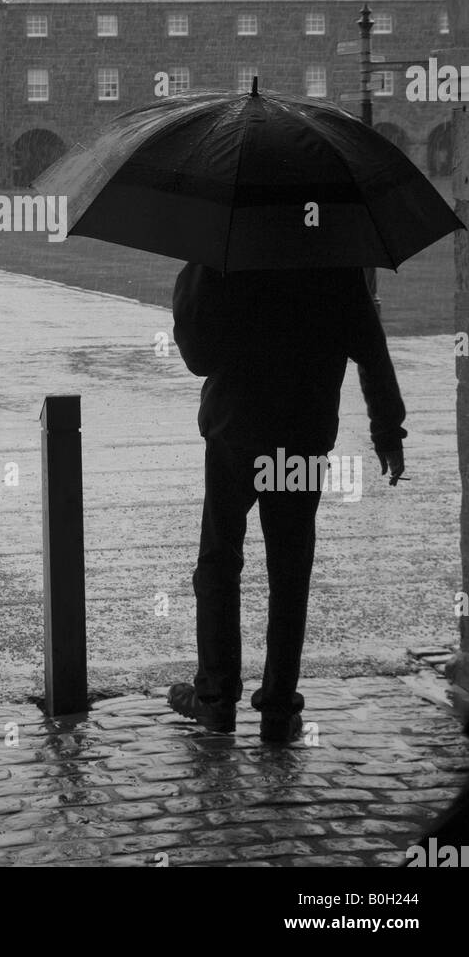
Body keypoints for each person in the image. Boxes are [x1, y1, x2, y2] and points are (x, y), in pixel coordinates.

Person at [168, 263, 407, 743]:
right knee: (290, 569)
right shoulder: (333, 260)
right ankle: (278, 708)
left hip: (236, 429)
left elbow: (197, 354)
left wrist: (194, 275)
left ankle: (215, 699)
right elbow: (371, 350)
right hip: (301, 432)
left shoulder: (226, 252)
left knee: (219, 561)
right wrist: (387, 429)